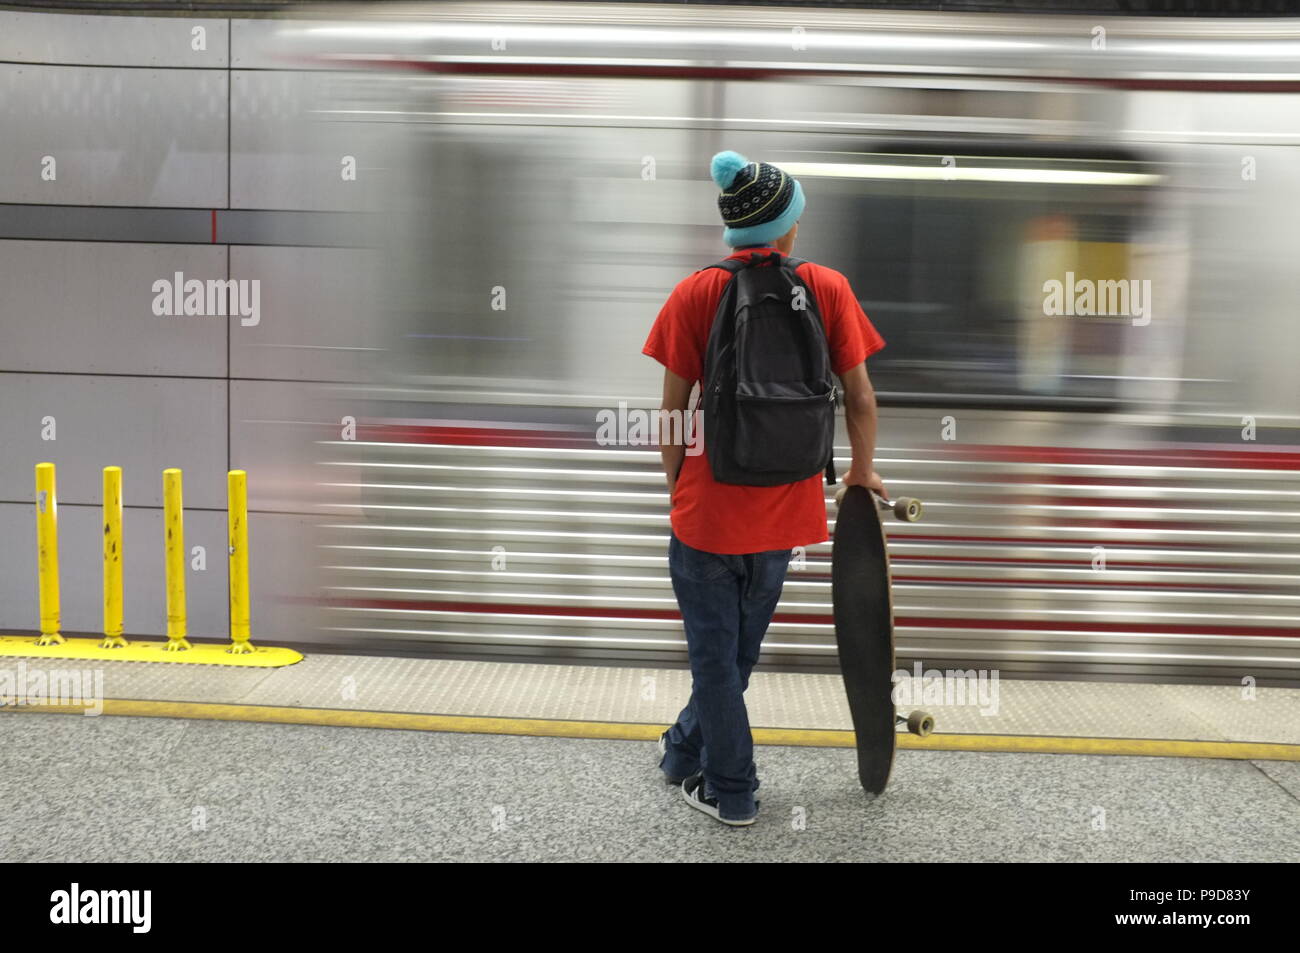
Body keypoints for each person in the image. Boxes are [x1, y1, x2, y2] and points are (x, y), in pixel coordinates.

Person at [641, 150, 887, 826]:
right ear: (785, 224)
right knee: (735, 658)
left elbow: (673, 412)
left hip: (708, 517)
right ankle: (693, 762)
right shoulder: (828, 287)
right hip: (786, 516)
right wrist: (861, 471)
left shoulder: (695, 292)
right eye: (796, 213)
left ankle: (730, 788)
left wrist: (679, 488)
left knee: (717, 660)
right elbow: (860, 397)